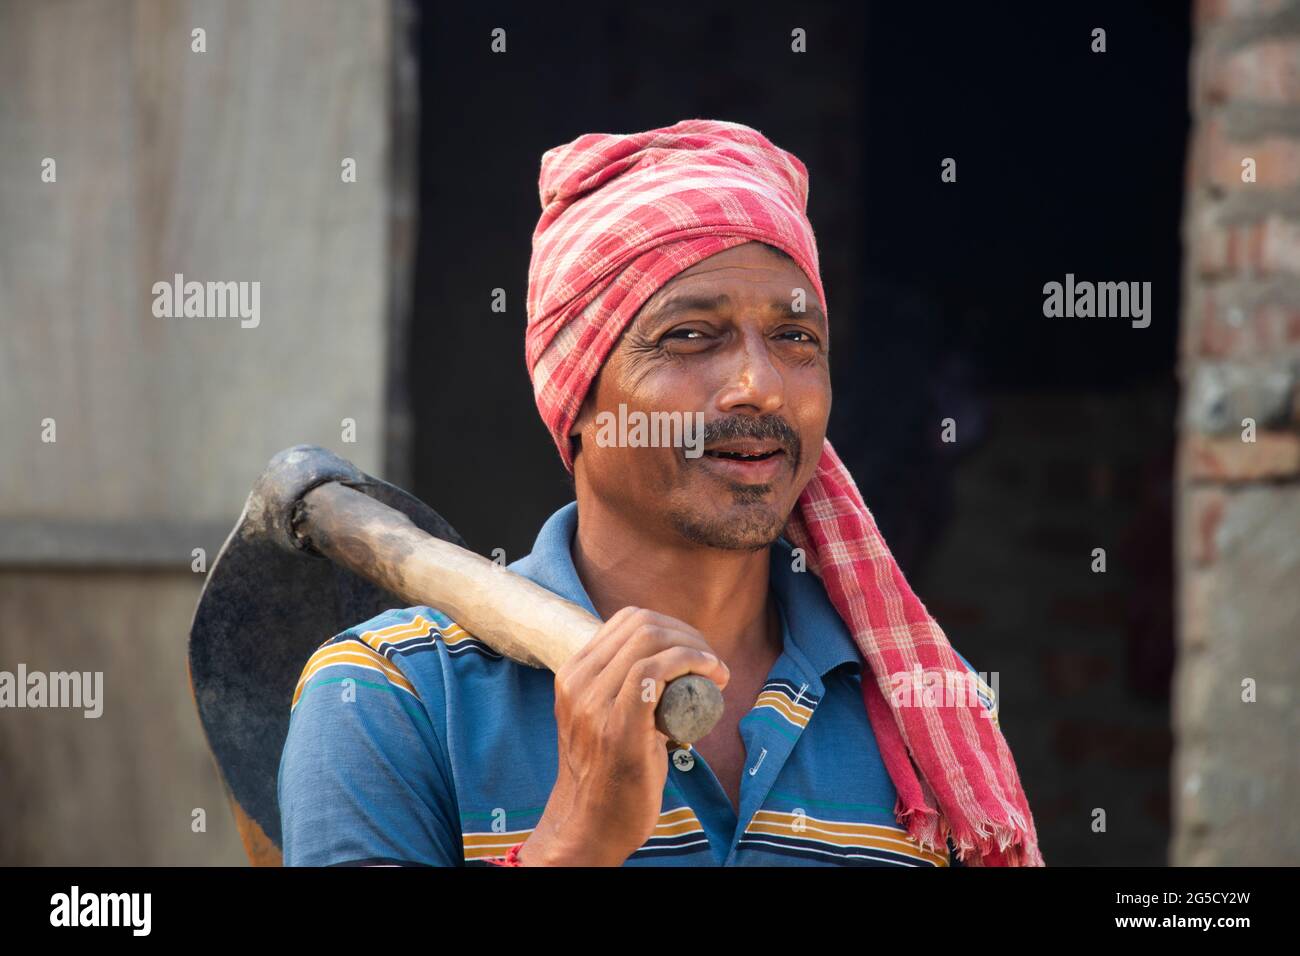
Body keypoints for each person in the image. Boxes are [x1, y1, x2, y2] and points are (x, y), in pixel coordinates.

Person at [277, 119, 1043, 867]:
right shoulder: (391, 699)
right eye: (690, 336)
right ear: (575, 398)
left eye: (795, 339)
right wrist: (575, 844)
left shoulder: (927, 723)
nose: (760, 387)